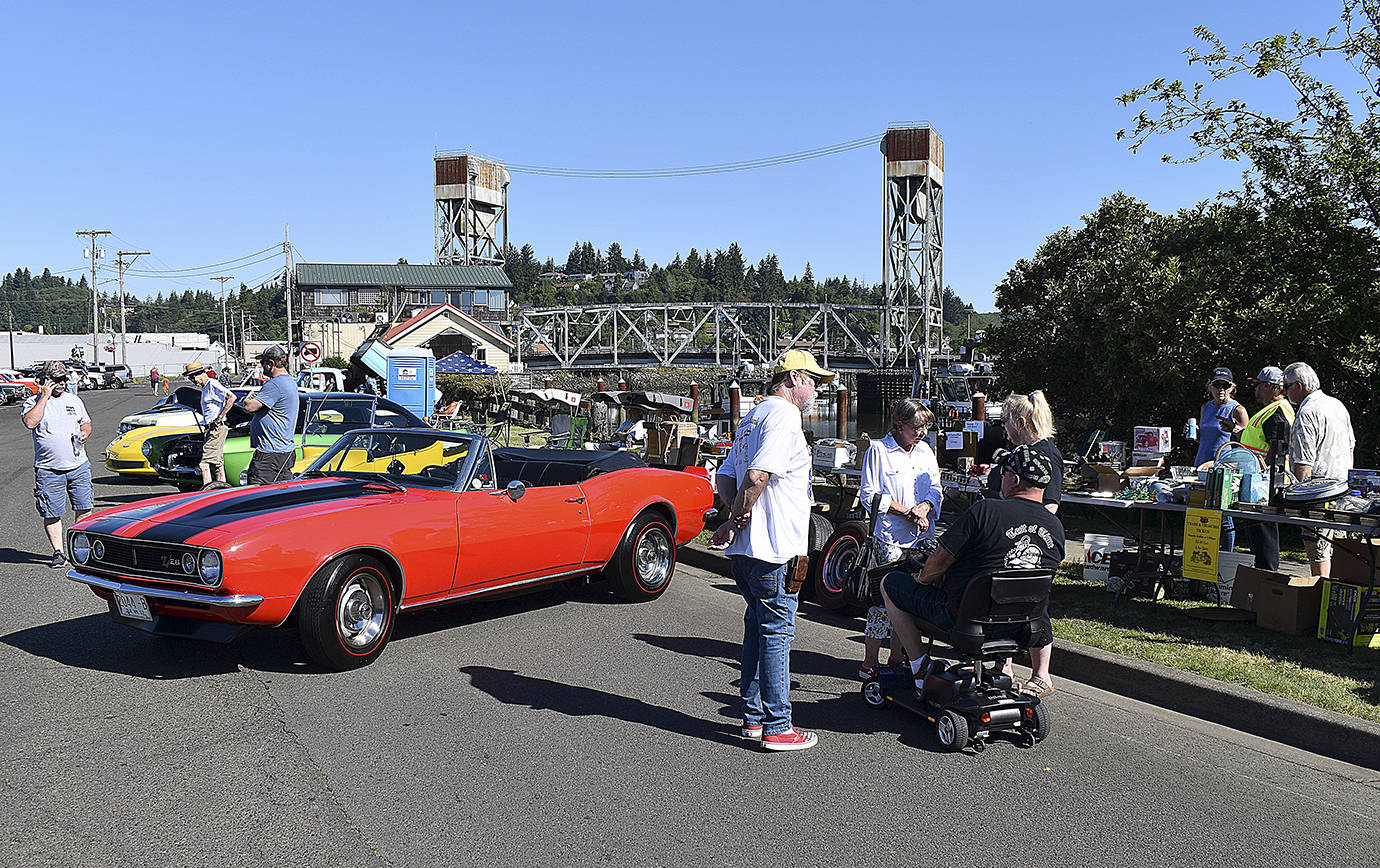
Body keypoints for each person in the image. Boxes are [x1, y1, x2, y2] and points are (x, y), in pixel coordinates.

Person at [709, 349, 833, 751]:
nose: (816, 388)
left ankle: (753, 718)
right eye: (813, 380)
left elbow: (727, 476)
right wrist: (739, 518)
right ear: (793, 379)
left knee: (755, 628)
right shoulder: (783, 416)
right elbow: (758, 475)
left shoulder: (753, 416)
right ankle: (778, 724)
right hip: (774, 545)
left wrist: (732, 514)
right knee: (777, 631)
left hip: (747, 551)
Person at [881, 445, 1066, 692]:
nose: (1001, 477)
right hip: (1022, 627)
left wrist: (922, 578)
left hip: (965, 620)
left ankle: (919, 666)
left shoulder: (986, 510)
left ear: (1015, 479)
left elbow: (938, 561)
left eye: (1005, 471)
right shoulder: (1056, 528)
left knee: (890, 583)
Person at [984, 390, 1062, 695]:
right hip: (1004, 537)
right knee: (1001, 601)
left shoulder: (1045, 453)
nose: (1003, 427)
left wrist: (1019, 524)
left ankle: (1042, 674)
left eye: (1006, 420)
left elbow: (1050, 503)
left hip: (1030, 540)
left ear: (1020, 420)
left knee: (1033, 604)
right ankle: (1003, 666)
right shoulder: (1017, 450)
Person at [857, 398, 941, 680]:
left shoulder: (926, 451)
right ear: (899, 425)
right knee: (884, 602)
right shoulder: (879, 451)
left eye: (926, 427)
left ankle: (896, 656)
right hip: (890, 538)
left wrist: (926, 507)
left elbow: (936, 489)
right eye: (917, 427)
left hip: (920, 538)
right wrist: (906, 511)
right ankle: (870, 660)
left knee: (910, 601)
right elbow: (869, 495)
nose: (922, 432)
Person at [1283, 362, 1356, 577]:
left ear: (1298, 386)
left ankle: (1319, 601)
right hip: (1344, 493)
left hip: (1318, 497)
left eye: (1286, 387)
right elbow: (1351, 446)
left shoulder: (1307, 411)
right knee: (1343, 554)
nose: (1285, 392)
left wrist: (1299, 501)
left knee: (1319, 553)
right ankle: (1338, 604)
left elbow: (1304, 462)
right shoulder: (1337, 405)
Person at [21, 361, 93, 569]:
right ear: (45, 380)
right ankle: (58, 552)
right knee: (51, 512)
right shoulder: (33, 402)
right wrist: (43, 396)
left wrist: (85, 433)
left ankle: (80, 550)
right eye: (56, 379)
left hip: (78, 465)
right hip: (48, 468)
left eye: (63, 379)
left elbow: (85, 422)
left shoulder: (74, 400)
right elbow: (30, 423)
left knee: (84, 507)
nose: (61, 383)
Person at [1239, 366, 1295, 570]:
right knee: (1258, 530)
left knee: (1263, 530)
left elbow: (1277, 444)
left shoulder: (1277, 411)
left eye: (1259, 385)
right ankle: (1262, 575)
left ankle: (1267, 576)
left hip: (1264, 483)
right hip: (1260, 481)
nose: (1256, 389)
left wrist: (1265, 474)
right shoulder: (1271, 409)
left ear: (1272, 387)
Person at [1193, 366, 1249, 553]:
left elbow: (1247, 444)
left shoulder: (1237, 410)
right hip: (1202, 465)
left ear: (1232, 387)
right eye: (1217, 385)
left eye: (1226, 385)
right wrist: (1194, 433)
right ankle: (1204, 554)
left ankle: (1226, 556)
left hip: (1225, 469)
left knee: (1224, 518)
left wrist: (1234, 429)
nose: (1221, 389)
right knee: (1201, 514)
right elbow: (1206, 438)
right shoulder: (1206, 407)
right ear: (1210, 386)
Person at [241, 345, 300, 485]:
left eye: (263, 363)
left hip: (269, 453)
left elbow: (249, 407)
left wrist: (246, 399)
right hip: (284, 450)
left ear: (271, 364)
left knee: (258, 495)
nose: (262, 367)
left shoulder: (275, 384)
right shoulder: (289, 382)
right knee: (282, 494)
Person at [184, 361, 236, 489]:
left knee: (204, 464)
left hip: (217, 428)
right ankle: (222, 491)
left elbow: (231, 397)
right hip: (211, 428)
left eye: (193, 377)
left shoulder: (212, 383)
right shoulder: (206, 387)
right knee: (217, 464)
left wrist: (219, 417)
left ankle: (207, 493)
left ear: (199, 374)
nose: (192, 380)